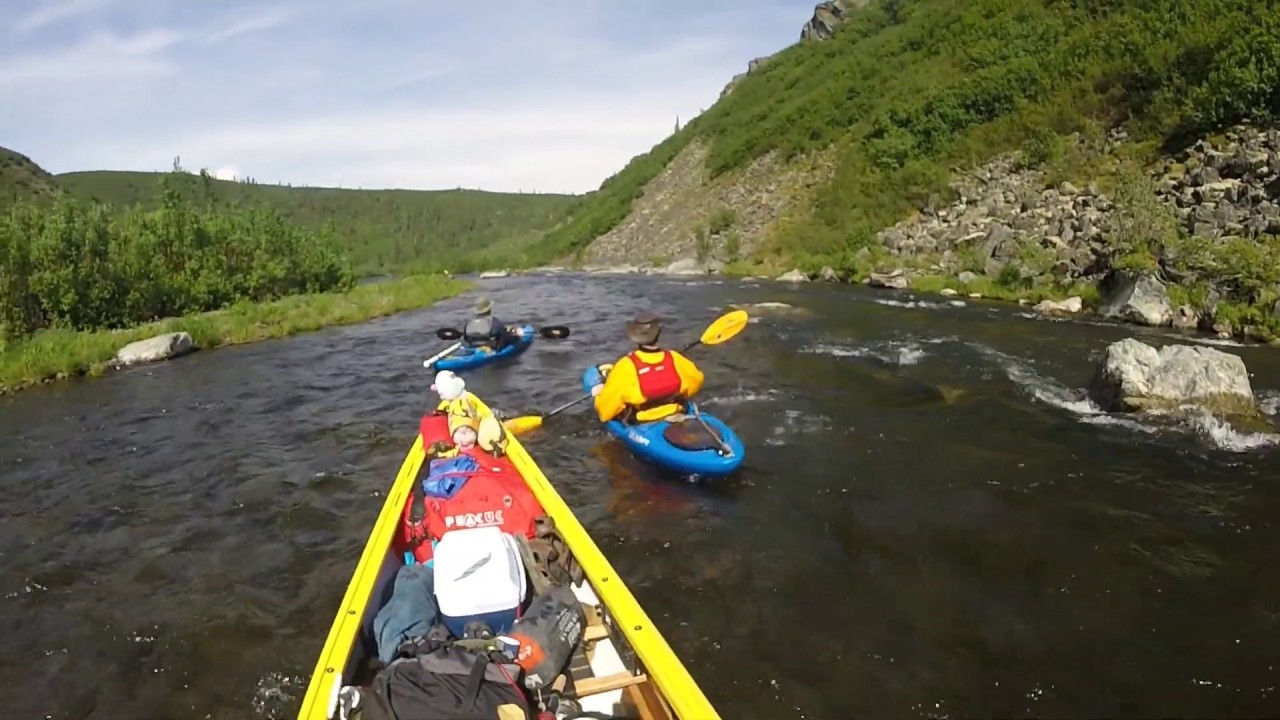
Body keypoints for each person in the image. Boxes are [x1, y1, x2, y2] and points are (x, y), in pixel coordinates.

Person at [589, 311, 704, 424]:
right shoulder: (676, 358)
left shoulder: (625, 366)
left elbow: (605, 414)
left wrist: (599, 395)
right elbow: (697, 381)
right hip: (675, 410)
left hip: (641, 419)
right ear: (658, 334)